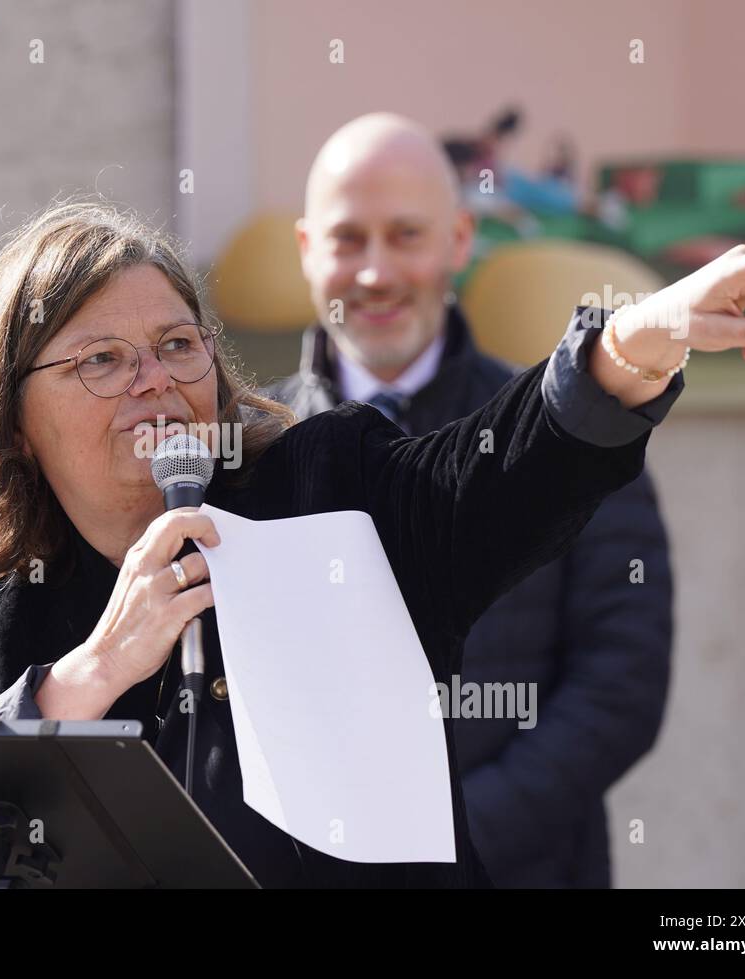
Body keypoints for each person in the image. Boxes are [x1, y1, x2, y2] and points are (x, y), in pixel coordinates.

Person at [0, 198, 745, 888]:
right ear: (13, 418)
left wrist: (634, 342)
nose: (155, 381)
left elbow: (504, 470)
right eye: (101, 359)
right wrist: (87, 678)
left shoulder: (329, 493)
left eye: (178, 344)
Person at [268, 112, 672, 887]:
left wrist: (443, 847)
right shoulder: (248, 450)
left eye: (406, 235)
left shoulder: (572, 432)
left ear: (459, 240)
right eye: (349, 239)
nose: (376, 273)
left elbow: (621, 684)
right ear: (307, 249)